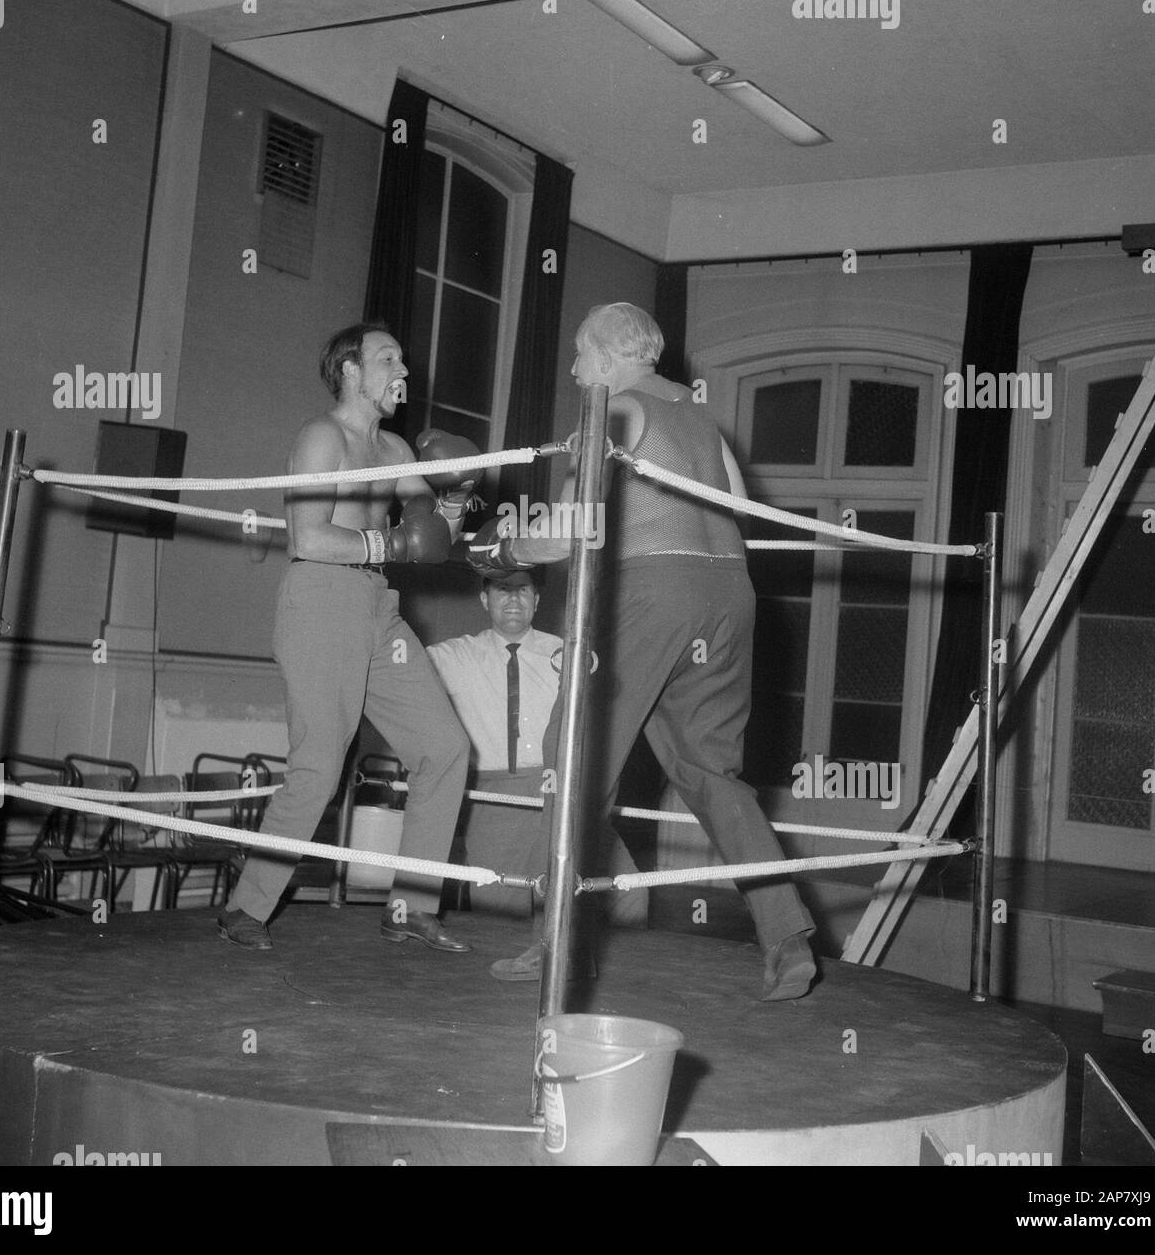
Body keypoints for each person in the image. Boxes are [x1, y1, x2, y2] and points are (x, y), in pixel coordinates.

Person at [470, 302, 817, 1000]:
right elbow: (742, 511)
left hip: (652, 593)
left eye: (578, 354)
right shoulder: (703, 421)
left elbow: (570, 530)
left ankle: (556, 945)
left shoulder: (614, 411)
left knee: (573, 753)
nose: (572, 369)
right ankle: (787, 936)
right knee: (711, 773)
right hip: (729, 595)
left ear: (606, 356)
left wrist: (497, 551)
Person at [218, 322, 480, 954]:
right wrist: (391, 541)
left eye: (404, 360)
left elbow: (432, 539)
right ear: (351, 371)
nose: (404, 372)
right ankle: (246, 908)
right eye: (388, 358)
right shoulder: (321, 436)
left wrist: (459, 492)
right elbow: (306, 536)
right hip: (320, 599)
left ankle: (409, 906)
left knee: (445, 748)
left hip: (377, 607)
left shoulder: (394, 449)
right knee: (317, 768)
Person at [426, 570, 647, 928]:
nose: (513, 600)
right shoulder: (454, 655)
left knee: (628, 892)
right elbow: (397, 676)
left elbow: (614, 709)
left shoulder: (569, 652)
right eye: (502, 590)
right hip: (494, 796)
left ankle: (615, 977)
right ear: (485, 600)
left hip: (561, 790)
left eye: (523, 590)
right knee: (497, 908)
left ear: (537, 600)